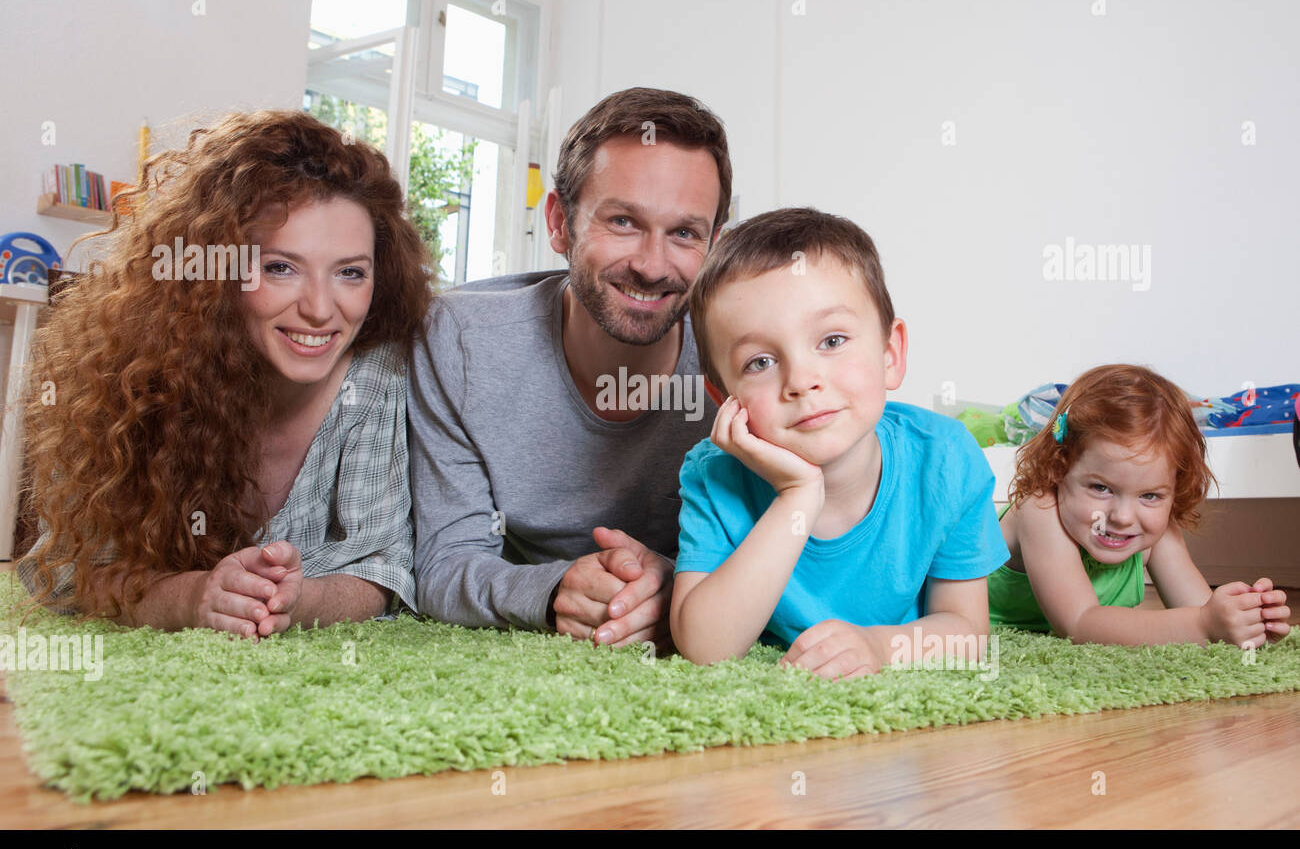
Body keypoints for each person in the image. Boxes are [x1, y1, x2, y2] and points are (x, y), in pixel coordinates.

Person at [16, 109, 431, 637]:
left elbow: (385, 567)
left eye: (351, 272)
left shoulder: (378, 378)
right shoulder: (137, 376)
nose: (322, 309)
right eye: (280, 267)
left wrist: (299, 602)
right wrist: (191, 597)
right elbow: (61, 573)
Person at [408, 87, 731, 648]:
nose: (653, 266)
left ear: (716, 245)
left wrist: (681, 585)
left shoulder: (746, 361)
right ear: (559, 222)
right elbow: (445, 560)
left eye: (684, 233)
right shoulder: (459, 341)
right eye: (624, 221)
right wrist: (556, 589)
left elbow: (790, 545)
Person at [671, 207, 1008, 677]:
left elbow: (968, 634)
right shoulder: (713, 474)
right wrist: (798, 495)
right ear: (723, 398)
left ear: (890, 354)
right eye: (760, 362)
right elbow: (705, 646)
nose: (802, 381)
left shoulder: (945, 458)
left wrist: (880, 648)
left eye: (831, 341)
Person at [988, 364, 1290, 646]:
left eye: (1150, 496)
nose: (1122, 517)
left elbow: (1199, 607)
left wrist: (1244, 616)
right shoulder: (1041, 511)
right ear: (1058, 469)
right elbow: (1078, 624)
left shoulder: (1157, 530)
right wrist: (1201, 624)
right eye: (1100, 487)